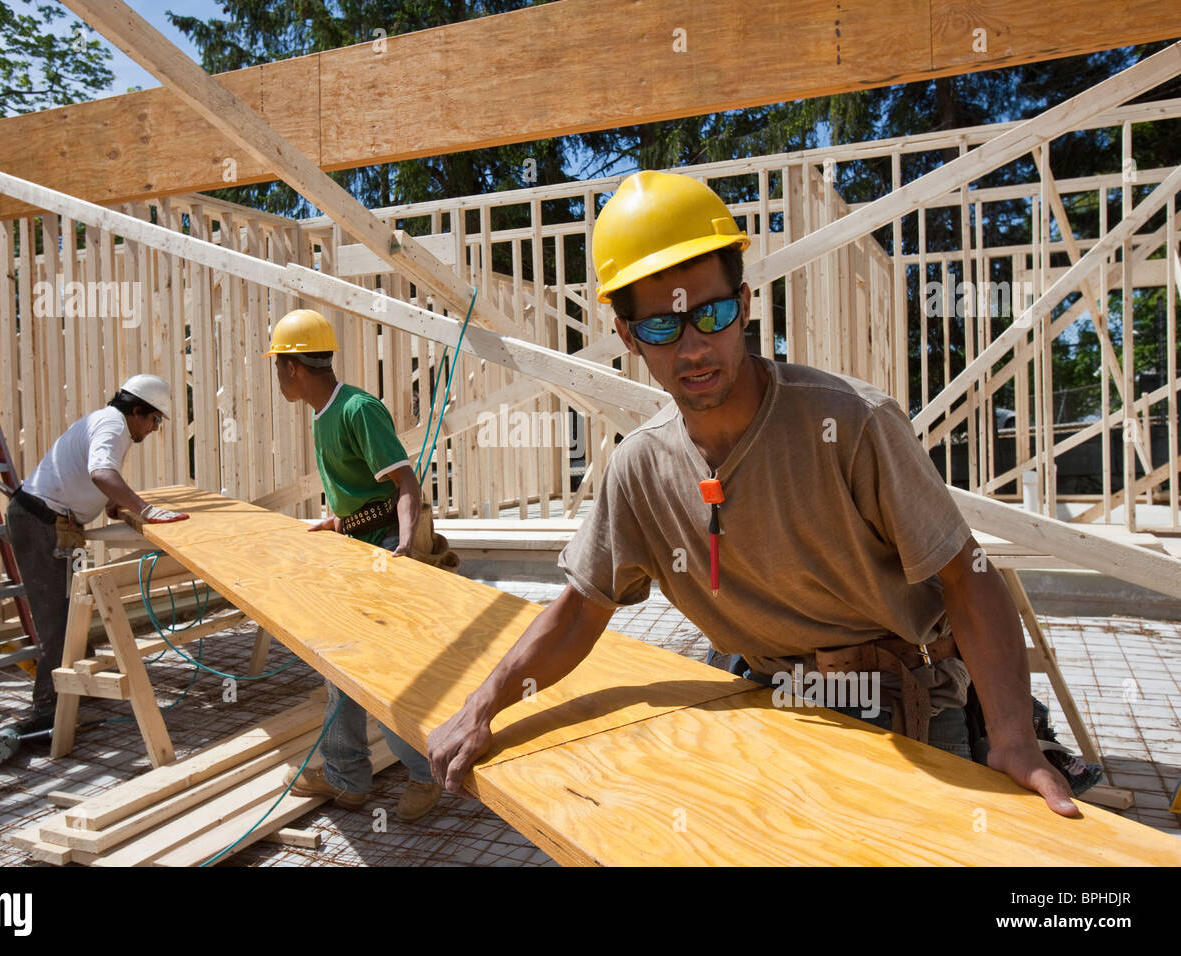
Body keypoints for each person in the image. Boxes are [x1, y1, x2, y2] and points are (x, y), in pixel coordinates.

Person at [427, 170, 1078, 817]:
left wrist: (1014, 741)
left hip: (903, 691)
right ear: (627, 337)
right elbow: (577, 613)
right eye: (661, 328)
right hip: (767, 691)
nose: (693, 347)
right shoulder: (641, 469)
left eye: (709, 314)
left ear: (743, 303)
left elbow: (968, 575)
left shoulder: (850, 423)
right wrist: (482, 708)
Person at [267, 308, 443, 823]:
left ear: (293, 368)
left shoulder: (357, 410)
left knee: (379, 672)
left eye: (277, 364)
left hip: (384, 551)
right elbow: (361, 491)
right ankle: (347, 777)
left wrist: (404, 549)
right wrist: (339, 522)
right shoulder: (325, 413)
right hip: (357, 547)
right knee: (339, 667)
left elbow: (404, 485)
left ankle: (425, 773)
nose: (277, 374)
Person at [5, 373, 188, 733]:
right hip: (40, 523)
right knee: (57, 621)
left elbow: (91, 475)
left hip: (51, 522)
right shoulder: (114, 425)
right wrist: (145, 509)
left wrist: (111, 504)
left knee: (73, 611)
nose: (154, 429)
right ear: (137, 410)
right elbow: (101, 472)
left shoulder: (109, 423)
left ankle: (77, 693)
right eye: (155, 420)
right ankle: (46, 715)